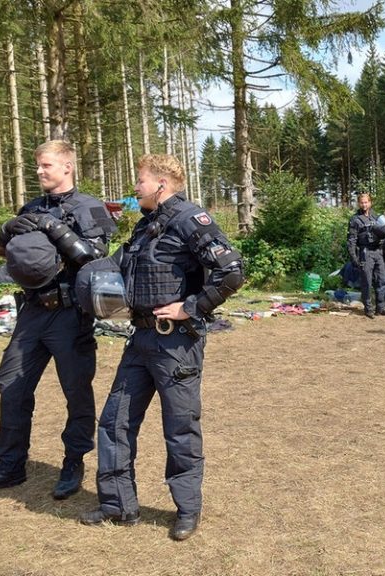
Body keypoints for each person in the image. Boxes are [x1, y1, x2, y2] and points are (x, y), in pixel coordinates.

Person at [79, 153, 244, 542]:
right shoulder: (144, 227)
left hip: (176, 344)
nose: (135, 189)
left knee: (180, 428)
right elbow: (119, 271)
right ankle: (118, 504)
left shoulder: (190, 219)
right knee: (115, 421)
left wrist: (191, 308)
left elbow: (231, 270)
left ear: (161, 184)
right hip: (140, 340)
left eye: (140, 182)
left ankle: (187, 510)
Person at [0, 140, 117, 499]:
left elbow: (95, 257)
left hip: (69, 313)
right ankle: (10, 465)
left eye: (46, 165)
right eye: (37, 165)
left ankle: (73, 462)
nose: (39, 171)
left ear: (67, 166)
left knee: (76, 391)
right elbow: (6, 250)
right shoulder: (30, 207)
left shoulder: (91, 207)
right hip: (32, 312)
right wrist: (5, 231)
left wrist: (53, 228)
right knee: (11, 385)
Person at [347, 193, 385, 318]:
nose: (364, 204)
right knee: (367, 282)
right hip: (365, 253)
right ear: (359, 204)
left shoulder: (376, 217)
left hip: (378, 252)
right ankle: (368, 308)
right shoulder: (355, 220)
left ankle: (380, 307)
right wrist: (354, 258)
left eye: (366, 202)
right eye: (362, 202)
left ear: (370, 203)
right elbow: (351, 241)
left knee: (382, 280)